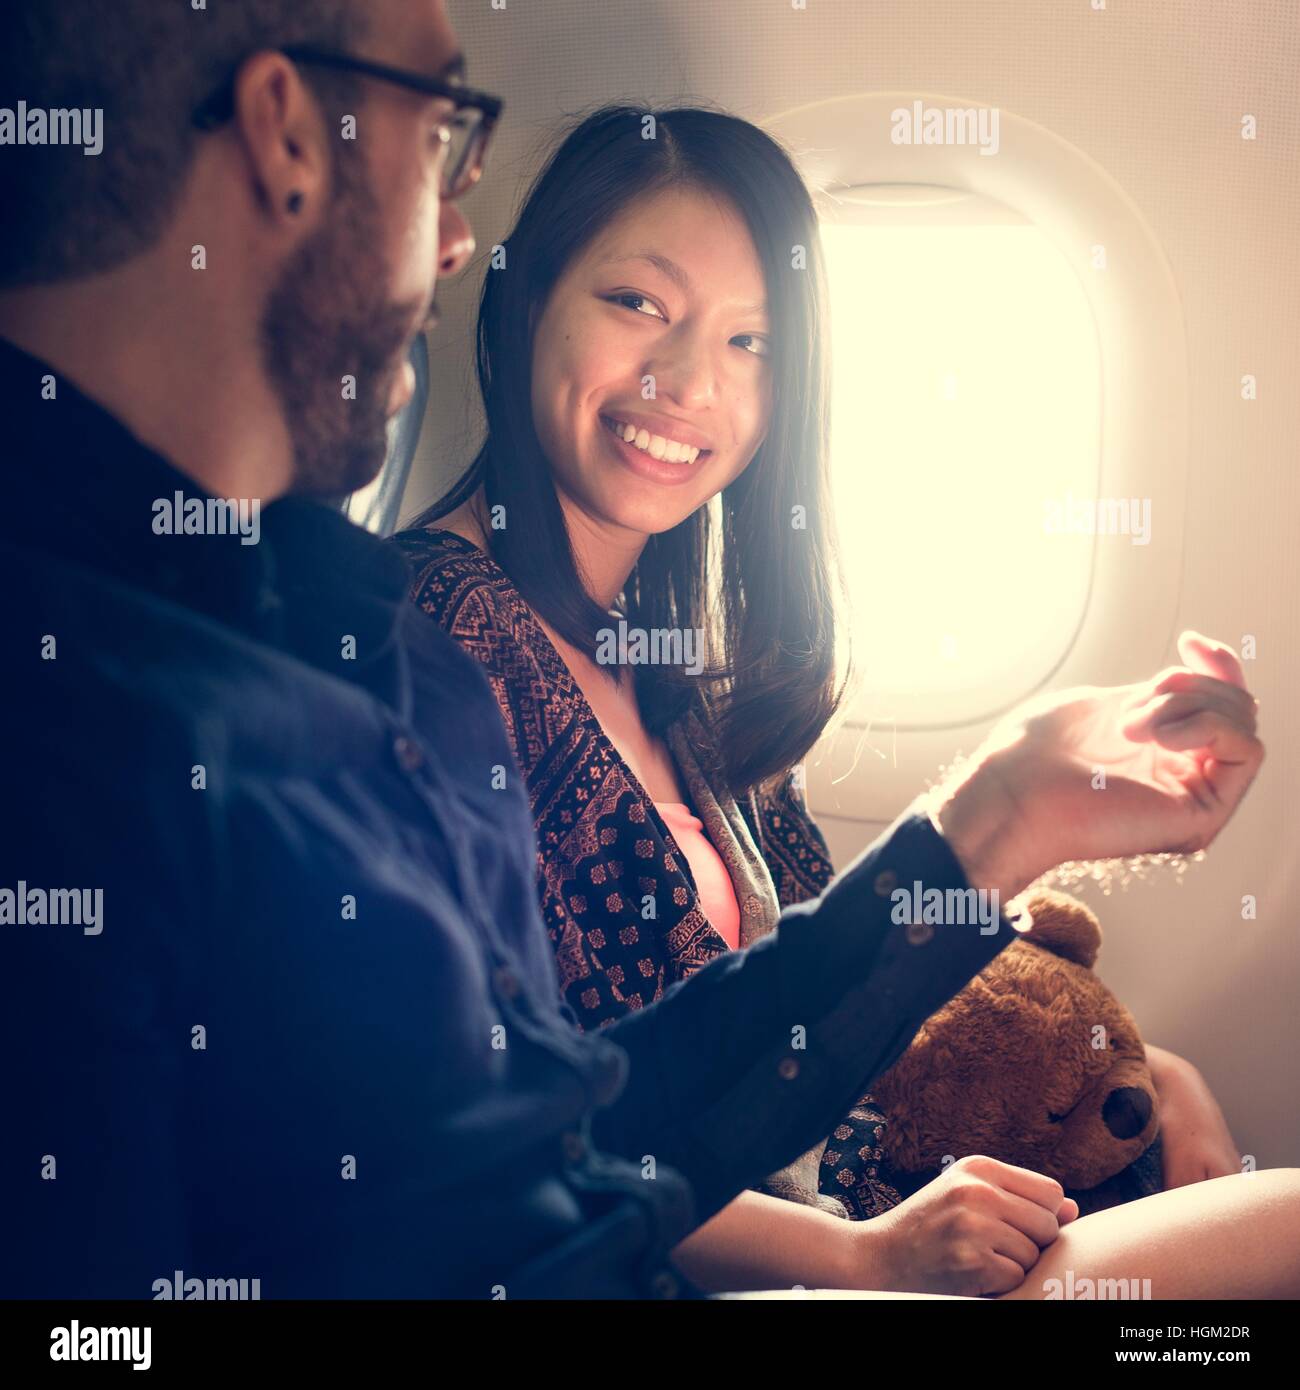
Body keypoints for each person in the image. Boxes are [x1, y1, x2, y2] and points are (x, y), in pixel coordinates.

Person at [0, 0, 1291, 1301]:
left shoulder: (327, 627)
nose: (454, 238)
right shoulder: (121, 712)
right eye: (442, 135)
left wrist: (1004, 813)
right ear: (287, 133)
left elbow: (578, 1135)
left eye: (749, 342)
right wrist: (863, 1260)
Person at [396, 104, 1294, 1296]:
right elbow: (517, 1139)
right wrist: (863, 1257)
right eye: (638, 304)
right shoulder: (425, 640)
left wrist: (1132, 1065)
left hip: (838, 1205)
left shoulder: (686, 681)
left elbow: (824, 1006)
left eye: (749, 343)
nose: (684, 383)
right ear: (519, 307)